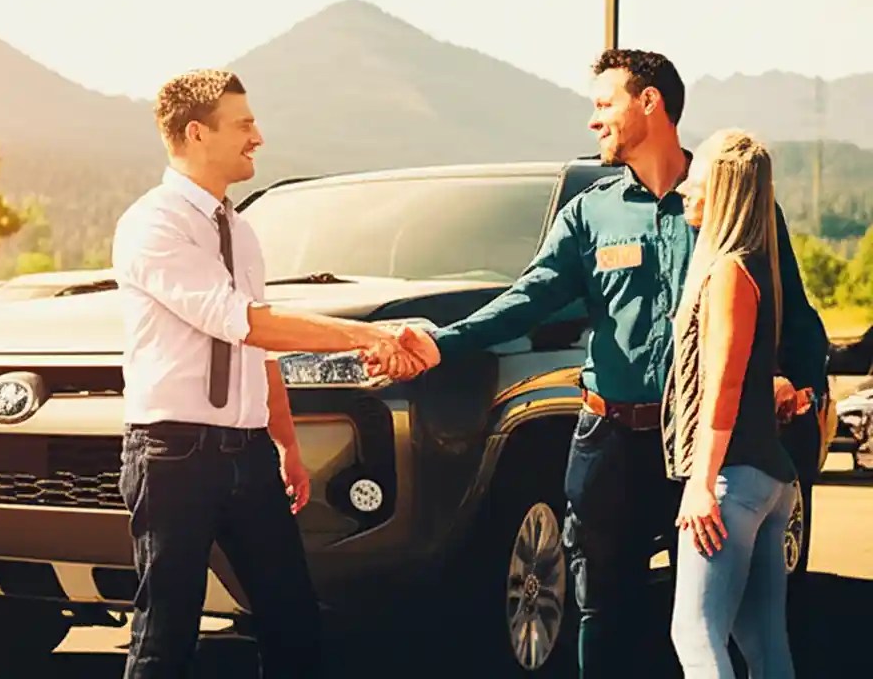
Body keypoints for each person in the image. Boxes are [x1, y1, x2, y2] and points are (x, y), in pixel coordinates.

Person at [391, 49, 828, 677]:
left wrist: (803, 383)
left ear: (649, 103)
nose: (594, 121)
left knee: (710, 621)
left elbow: (795, 309)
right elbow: (528, 298)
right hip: (609, 440)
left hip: (706, 445)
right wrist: (442, 344)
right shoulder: (590, 214)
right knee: (601, 605)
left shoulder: (724, 206)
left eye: (604, 105)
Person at [111, 68, 420, 679]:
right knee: (166, 633)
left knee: (294, 620)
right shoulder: (154, 225)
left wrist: (285, 444)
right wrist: (365, 335)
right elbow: (243, 323)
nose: (259, 136)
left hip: (248, 454)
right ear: (197, 134)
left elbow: (259, 351)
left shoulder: (242, 231)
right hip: (173, 453)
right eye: (244, 124)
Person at [665, 129, 799, 677]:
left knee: (694, 635)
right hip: (769, 480)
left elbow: (723, 385)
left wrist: (702, 482)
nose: (683, 193)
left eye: (694, 184)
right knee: (762, 641)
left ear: (719, 192)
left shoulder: (727, 273)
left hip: (732, 482)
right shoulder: (754, 266)